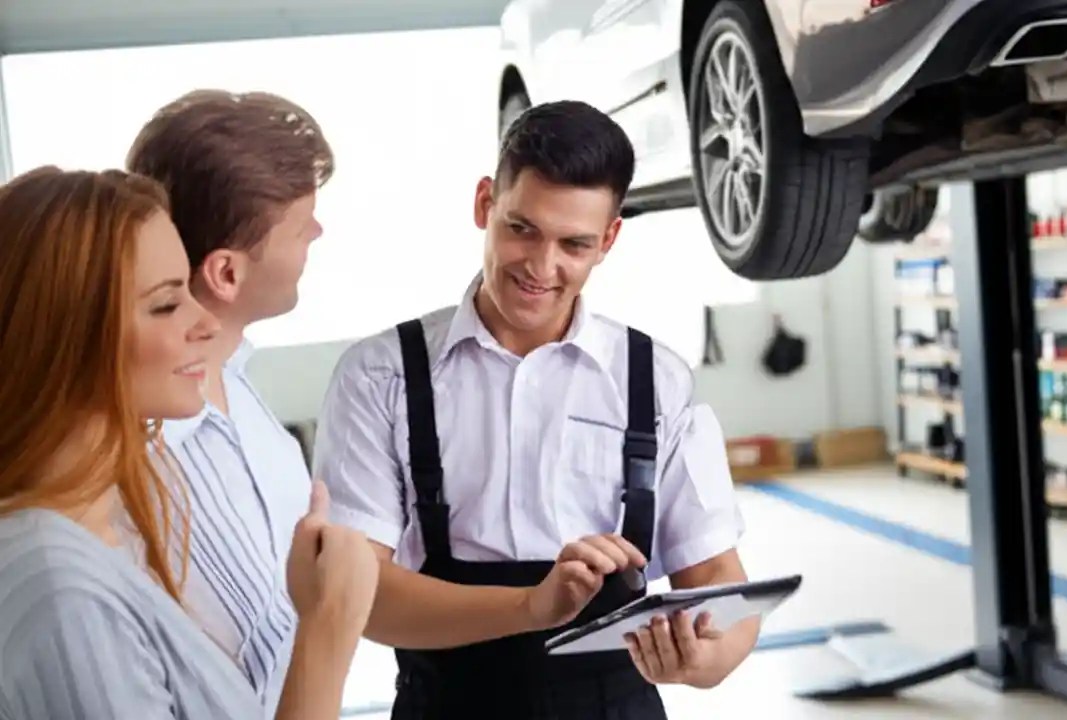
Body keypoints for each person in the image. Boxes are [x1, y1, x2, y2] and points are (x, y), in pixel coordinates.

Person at [312, 99, 757, 719]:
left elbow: (722, 591)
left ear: (608, 239)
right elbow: (353, 597)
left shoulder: (657, 380)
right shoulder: (380, 375)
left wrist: (700, 662)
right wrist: (532, 608)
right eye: (522, 228)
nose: (541, 267)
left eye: (573, 244)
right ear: (484, 203)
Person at [0, 166, 378, 719]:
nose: (204, 323)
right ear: (67, 336)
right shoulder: (64, 594)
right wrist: (326, 635)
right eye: (165, 303)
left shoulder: (97, 540)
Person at [124, 89, 333, 714]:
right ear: (226, 273)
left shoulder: (240, 388)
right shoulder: (141, 469)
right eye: (301, 226)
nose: (319, 232)